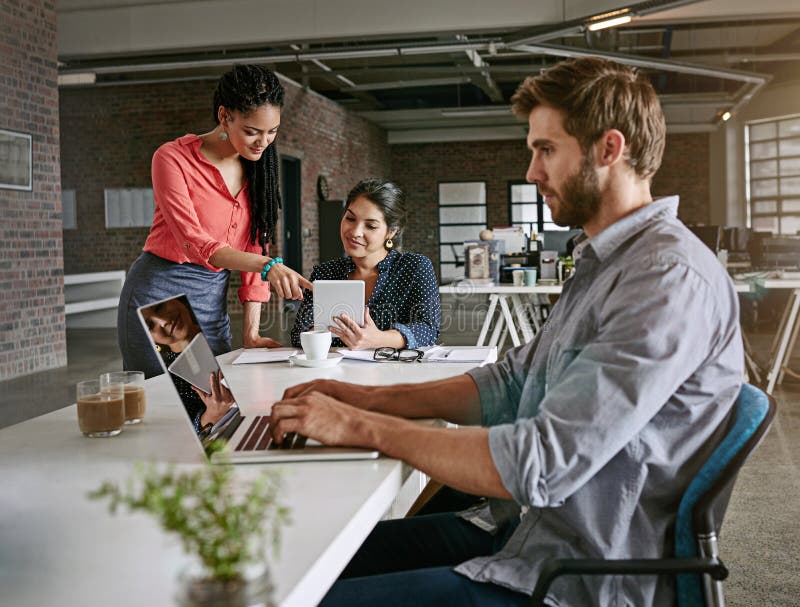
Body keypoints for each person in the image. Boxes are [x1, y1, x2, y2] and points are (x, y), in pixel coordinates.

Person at [267, 57, 744, 606]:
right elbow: (510, 383)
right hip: (519, 531)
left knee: (300, 598)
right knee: (297, 559)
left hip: (572, 577)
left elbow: (541, 461)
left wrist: (359, 425)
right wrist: (355, 396)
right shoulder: (605, 261)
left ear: (608, 150)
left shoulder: (664, 279)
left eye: (546, 150)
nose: (532, 171)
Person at [117, 64, 312, 379]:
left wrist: (250, 333)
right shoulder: (172, 158)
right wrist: (267, 265)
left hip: (212, 296)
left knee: (215, 400)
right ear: (224, 116)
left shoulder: (258, 170)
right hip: (161, 295)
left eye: (272, 131)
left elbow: (255, 246)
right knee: (171, 401)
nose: (263, 142)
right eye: (252, 131)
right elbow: (193, 241)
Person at [290, 178, 440, 350]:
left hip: (394, 365)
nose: (355, 232)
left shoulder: (415, 267)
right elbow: (298, 334)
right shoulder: (325, 272)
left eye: (370, 226)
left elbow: (428, 328)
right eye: (350, 218)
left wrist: (379, 339)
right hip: (337, 365)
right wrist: (316, 332)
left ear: (391, 232)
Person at [140, 296, 234, 435]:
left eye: (159, 307)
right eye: (150, 325)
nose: (164, 321)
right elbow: (184, 433)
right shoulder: (169, 379)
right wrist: (213, 414)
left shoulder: (218, 324)